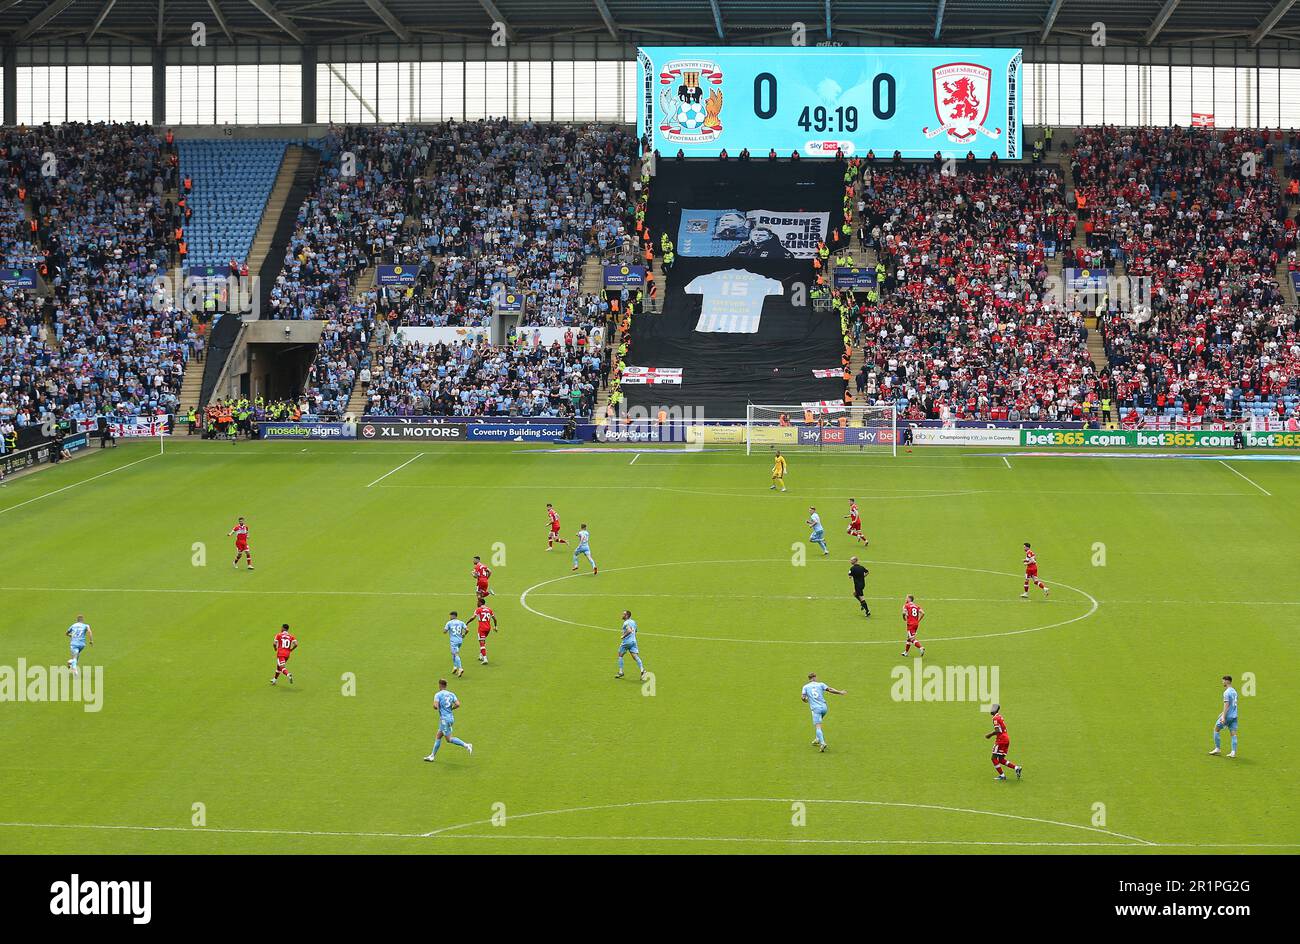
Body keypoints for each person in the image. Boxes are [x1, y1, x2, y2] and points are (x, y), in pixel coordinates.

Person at [424, 678, 473, 762]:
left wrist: (437, 707)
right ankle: (432, 756)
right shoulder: (451, 694)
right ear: (446, 686)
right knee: (439, 735)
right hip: (450, 718)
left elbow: (435, 706)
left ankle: (466, 745)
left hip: (444, 720)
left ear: (440, 685)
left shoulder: (438, 695)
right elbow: (458, 704)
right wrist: (451, 709)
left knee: (449, 739)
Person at [801, 672, 846, 752]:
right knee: (819, 723)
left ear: (809, 679)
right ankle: (817, 739)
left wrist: (805, 700)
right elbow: (830, 689)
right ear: (815, 677)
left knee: (818, 726)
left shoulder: (805, 687)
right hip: (824, 708)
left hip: (816, 709)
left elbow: (803, 697)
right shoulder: (821, 684)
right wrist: (840, 692)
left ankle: (822, 743)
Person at [985, 704, 1023, 781]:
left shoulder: (995, 718)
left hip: (1001, 740)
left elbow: (998, 730)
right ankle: (1016, 768)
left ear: (996, 710)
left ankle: (1002, 776)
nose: (991, 710)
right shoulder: (999, 716)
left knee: (993, 758)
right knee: (1001, 759)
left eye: (993, 709)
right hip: (1006, 739)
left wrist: (989, 735)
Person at [1209, 675, 1239, 758]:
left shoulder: (1226, 692)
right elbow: (1233, 704)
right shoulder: (1234, 691)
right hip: (1234, 715)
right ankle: (1233, 752)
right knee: (1233, 733)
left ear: (1227, 681)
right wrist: (1222, 712)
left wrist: (1223, 716)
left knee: (1216, 729)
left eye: (1223, 681)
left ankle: (1217, 748)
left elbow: (1226, 704)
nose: (1222, 682)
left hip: (1228, 716)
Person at [615, 610, 647, 681]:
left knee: (620, 655)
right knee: (635, 656)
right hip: (633, 641)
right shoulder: (633, 622)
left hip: (626, 642)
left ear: (626, 616)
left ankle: (621, 672)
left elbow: (629, 630)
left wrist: (623, 636)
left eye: (623, 614)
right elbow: (635, 631)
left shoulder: (626, 622)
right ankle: (642, 670)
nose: (622, 615)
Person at [444, 610, 468, 678]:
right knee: (453, 653)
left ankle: (460, 668)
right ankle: (455, 667)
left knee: (456, 654)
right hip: (460, 641)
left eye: (450, 616)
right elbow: (467, 630)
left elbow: (445, 631)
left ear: (453, 616)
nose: (450, 617)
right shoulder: (461, 622)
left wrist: (446, 630)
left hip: (453, 641)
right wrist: (463, 635)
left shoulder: (449, 623)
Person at [473, 597, 497, 665]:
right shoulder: (489, 609)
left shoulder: (478, 609)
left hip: (482, 628)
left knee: (481, 643)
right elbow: (495, 619)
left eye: (477, 602)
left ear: (480, 603)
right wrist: (495, 626)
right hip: (488, 628)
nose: (477, 603)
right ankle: (481, 655)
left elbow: (473, 617)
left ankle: (485, 658)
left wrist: (467, 623)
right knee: (483, 640)